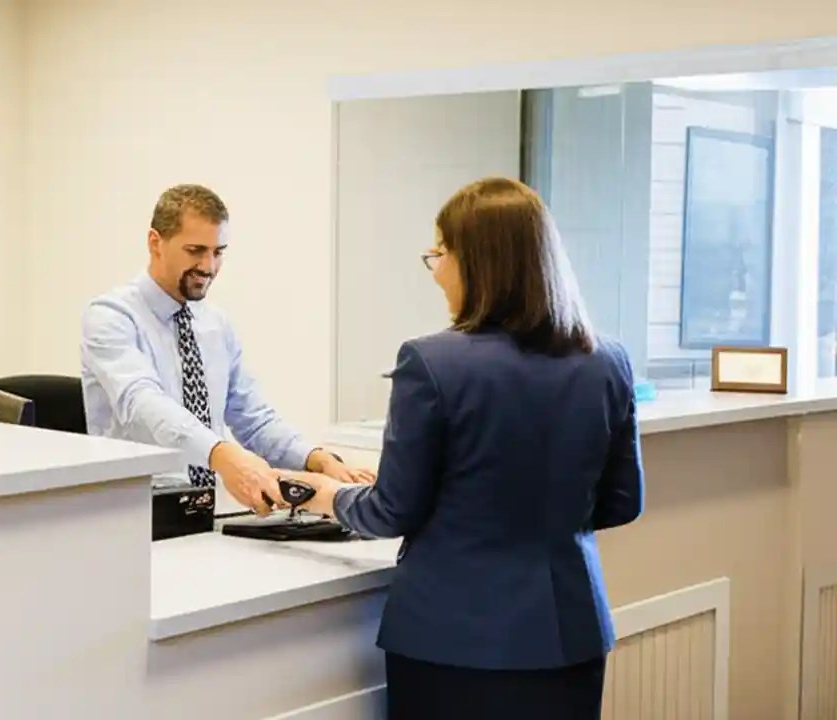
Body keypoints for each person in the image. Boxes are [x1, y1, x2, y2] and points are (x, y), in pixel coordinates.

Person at [282, 177, 643, 719]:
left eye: (440, 253)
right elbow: (622, 502)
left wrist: (323, 495)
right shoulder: (608, 361)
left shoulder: (430, 363)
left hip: (453, 640)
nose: (436, 272)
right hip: (572, 631)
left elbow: (392, 511)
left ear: (478, 262)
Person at [80, 183, 373, 514]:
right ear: (155, 243)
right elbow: (143, 403)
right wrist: (223, 455)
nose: (208, 266)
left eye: (218, 252)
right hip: (134, 509)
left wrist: (317, 460)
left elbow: (253, 417)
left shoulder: (214, 324)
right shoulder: (111, 317)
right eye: (195, 250)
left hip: (210, 508)